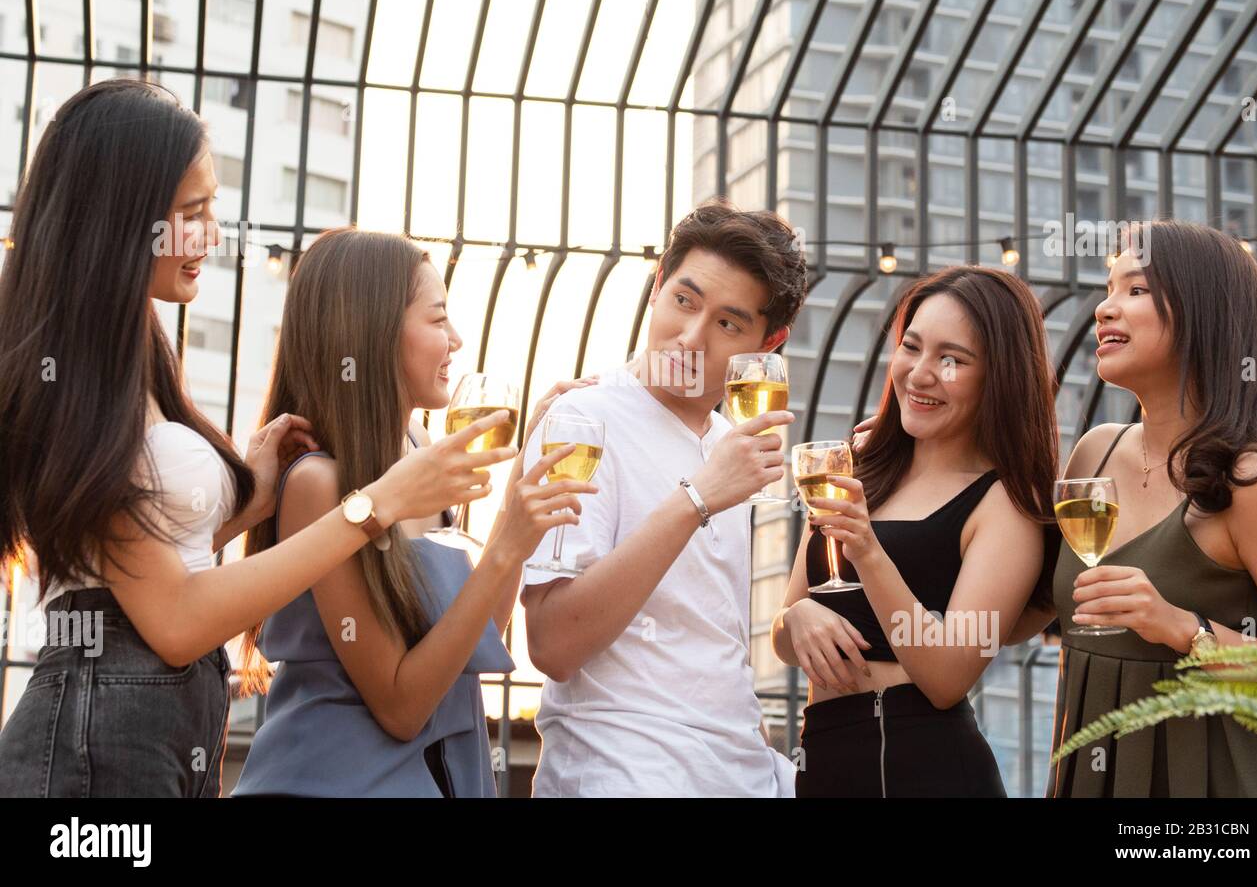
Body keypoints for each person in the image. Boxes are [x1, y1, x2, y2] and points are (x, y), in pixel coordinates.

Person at [0, 80, 501, 796]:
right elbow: (172, 619)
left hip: (146, 737)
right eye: (191, 212)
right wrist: (374, 507)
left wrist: (251, 502)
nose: (210, 234)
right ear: (123, 218)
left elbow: (144, 565)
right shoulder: (76, 373)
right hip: (97, 748)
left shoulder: (133, 353)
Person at [230, 229, 594, 796]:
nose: (456, 339)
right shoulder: (317, 484)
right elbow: (401, 706)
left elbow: (471, 640)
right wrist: (503, 549)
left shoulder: (419, 448)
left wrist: (517, 495)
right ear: (373, 331)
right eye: (436, 318)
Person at [520, 199, 808, 797]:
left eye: (728, 324)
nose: (691, 337)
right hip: (624, 772)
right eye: (684, 300)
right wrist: (696, 499)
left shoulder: (731, 445)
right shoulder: (583, 418)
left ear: (769, 343)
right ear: (657, 287)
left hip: (743, 776)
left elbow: (703, 634)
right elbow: (553, 644)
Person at [1010, 219, 1257, 797]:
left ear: (1202, 314)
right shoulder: (1095, 452)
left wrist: (1184, 629)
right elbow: (1023, 610)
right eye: (1108, 288)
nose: (1104, 309)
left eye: (1135, 290)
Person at [773, 266, 1059, 797]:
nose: (920, 373)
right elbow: (785, 633)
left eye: (951, 359)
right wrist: (800, 616)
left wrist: (867, 548)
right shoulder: (858, 465)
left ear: (998, 375)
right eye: (911, 347)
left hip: (928, 769)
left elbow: (948, 677)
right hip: (826, 762)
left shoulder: (1006, 504)